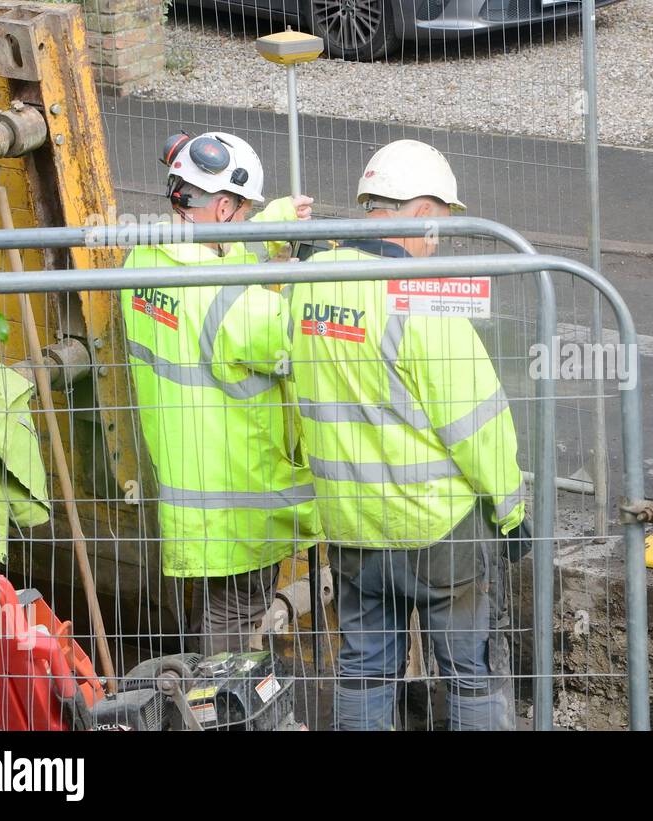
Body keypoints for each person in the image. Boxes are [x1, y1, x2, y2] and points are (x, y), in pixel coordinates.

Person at [288, 139, 529, 730]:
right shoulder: (420, 292)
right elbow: (476, 422)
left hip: (349, 525)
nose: (435, 243)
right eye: (437, 228)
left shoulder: (310, 282)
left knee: (364, 670)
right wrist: (510, 509)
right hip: (436, 527)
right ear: (420, 214)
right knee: (471, 673)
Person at [121, 131, 322, 656]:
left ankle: (208, 700)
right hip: (243, 494)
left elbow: (218, 256)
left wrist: (271, 221)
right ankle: (222, 711)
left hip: (190, 485)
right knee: (236, 618)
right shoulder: (238, 303)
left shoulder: (142, 260)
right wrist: (303, 276)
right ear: (225, 206)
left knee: (215, 608)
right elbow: (299, 337)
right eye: (245, 207)